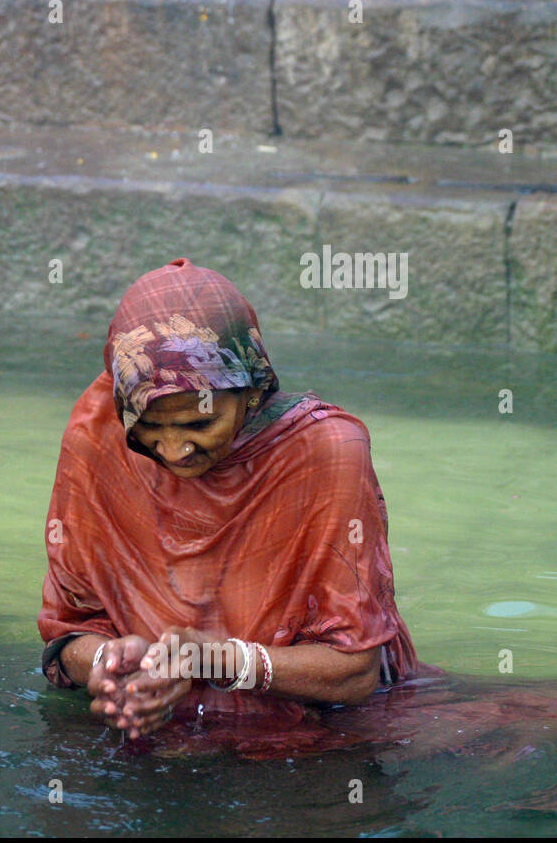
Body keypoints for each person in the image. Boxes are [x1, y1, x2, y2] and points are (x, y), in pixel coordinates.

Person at [38, 258, 417, 739]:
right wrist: (108, 664)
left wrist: (216, 660)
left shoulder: (324, 453)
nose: (174, 450)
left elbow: (355, 673)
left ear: (253, 392)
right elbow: (68, 630)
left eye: (200, 424)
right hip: (144, 730)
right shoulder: (99, 432)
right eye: (150, 429)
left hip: (313, 738)